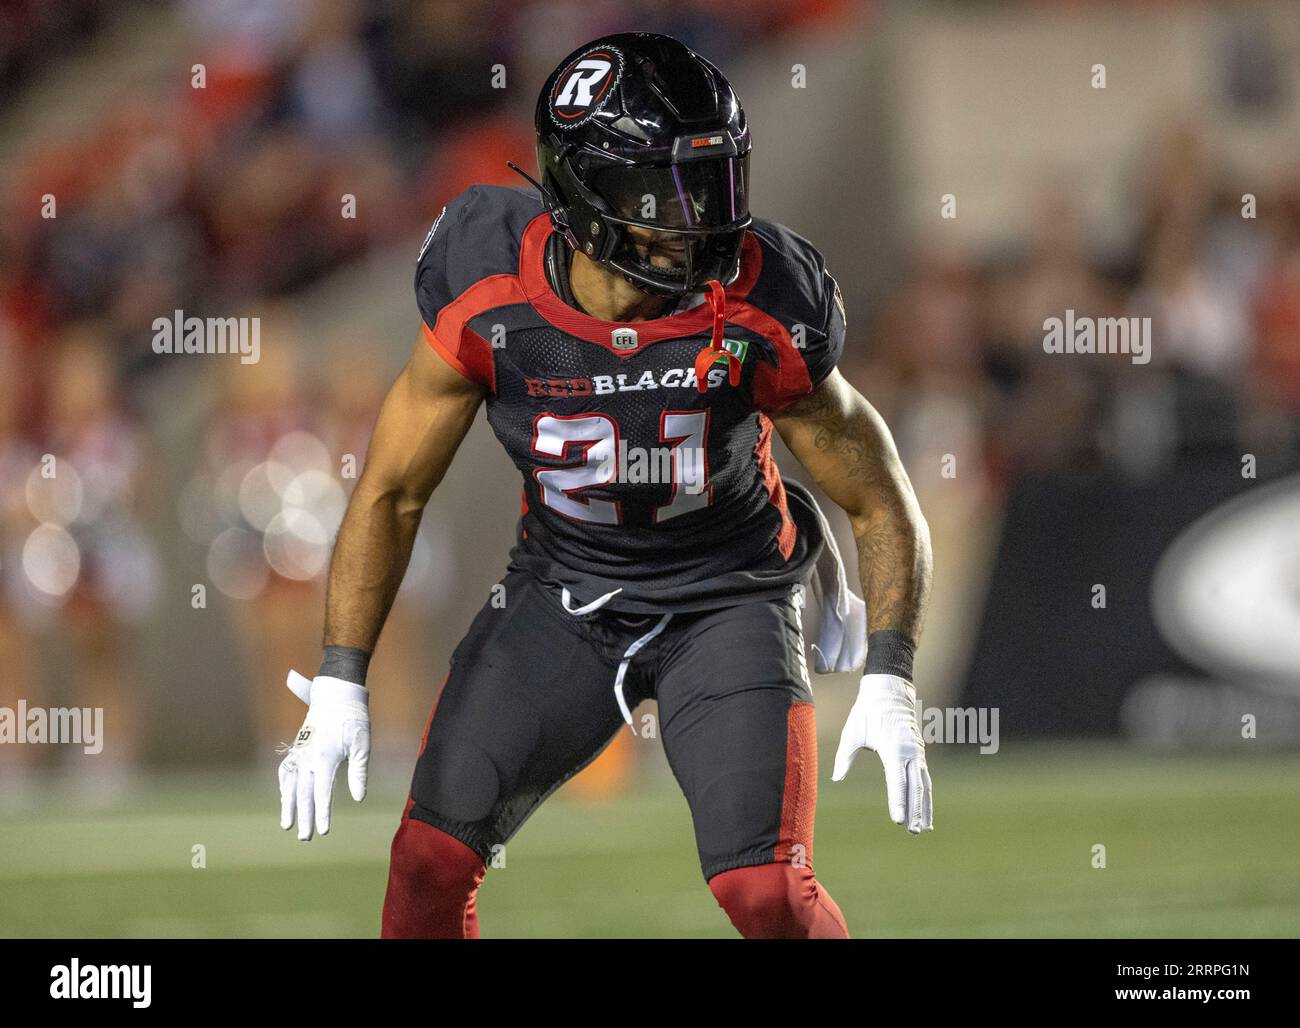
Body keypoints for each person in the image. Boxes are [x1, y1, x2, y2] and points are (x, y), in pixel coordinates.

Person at [276, 32, 934, 939]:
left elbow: (878, 489)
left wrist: (891, 676)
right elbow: (391, 490)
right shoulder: (487, 279)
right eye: (665, 191)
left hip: (728, 601)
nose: (700, 218)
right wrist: (341, 677)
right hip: (563, 597)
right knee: (428, 860)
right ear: (585, 195)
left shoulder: (762, 297)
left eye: (712, 182)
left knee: (767, 892)